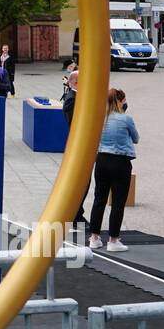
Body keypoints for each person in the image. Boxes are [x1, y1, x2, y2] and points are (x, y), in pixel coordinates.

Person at [89, 88, 139, 252]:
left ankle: (94, 237)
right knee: (118, 202)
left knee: (99, 199)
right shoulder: (126, 119)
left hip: (102, 159)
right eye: (124, 100)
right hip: (120, 161)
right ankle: (113, 240)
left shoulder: (99, 119)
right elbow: (136, 138)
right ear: (120, 101)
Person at [62, 68, 88, 226]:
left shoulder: (78, 96)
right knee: (81, 182)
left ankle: (77, 212)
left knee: (85, 182)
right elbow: (73, 123)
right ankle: (76, 214)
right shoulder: (72, 99)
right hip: (77, 147)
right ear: (76, 83)